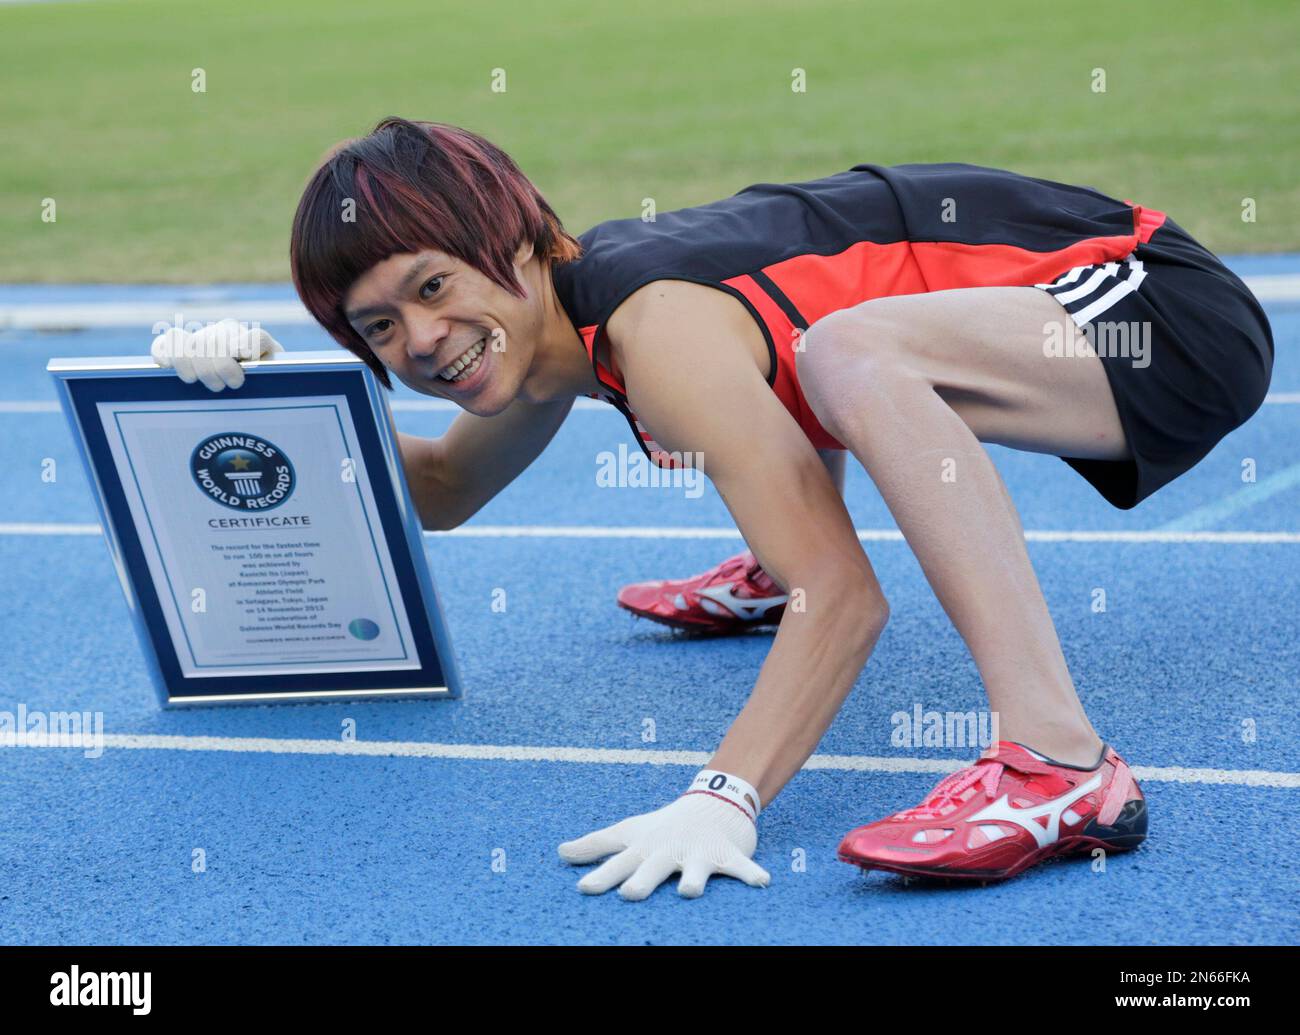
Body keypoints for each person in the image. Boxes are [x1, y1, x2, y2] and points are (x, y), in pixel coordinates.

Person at [153, 116, 1273, 897]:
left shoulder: (653, 327)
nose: (422, 340)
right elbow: (442, 490)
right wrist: (270, 402)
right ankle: (771, 550)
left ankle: (1059, 765)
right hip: (1056, 316)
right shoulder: (552, 337)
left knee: (847, 353)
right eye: (379, 328)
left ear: (519, 242)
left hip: (1157, 311)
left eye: (432, 287)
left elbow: (843, 599)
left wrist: (723, 796)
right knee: (819, 347)